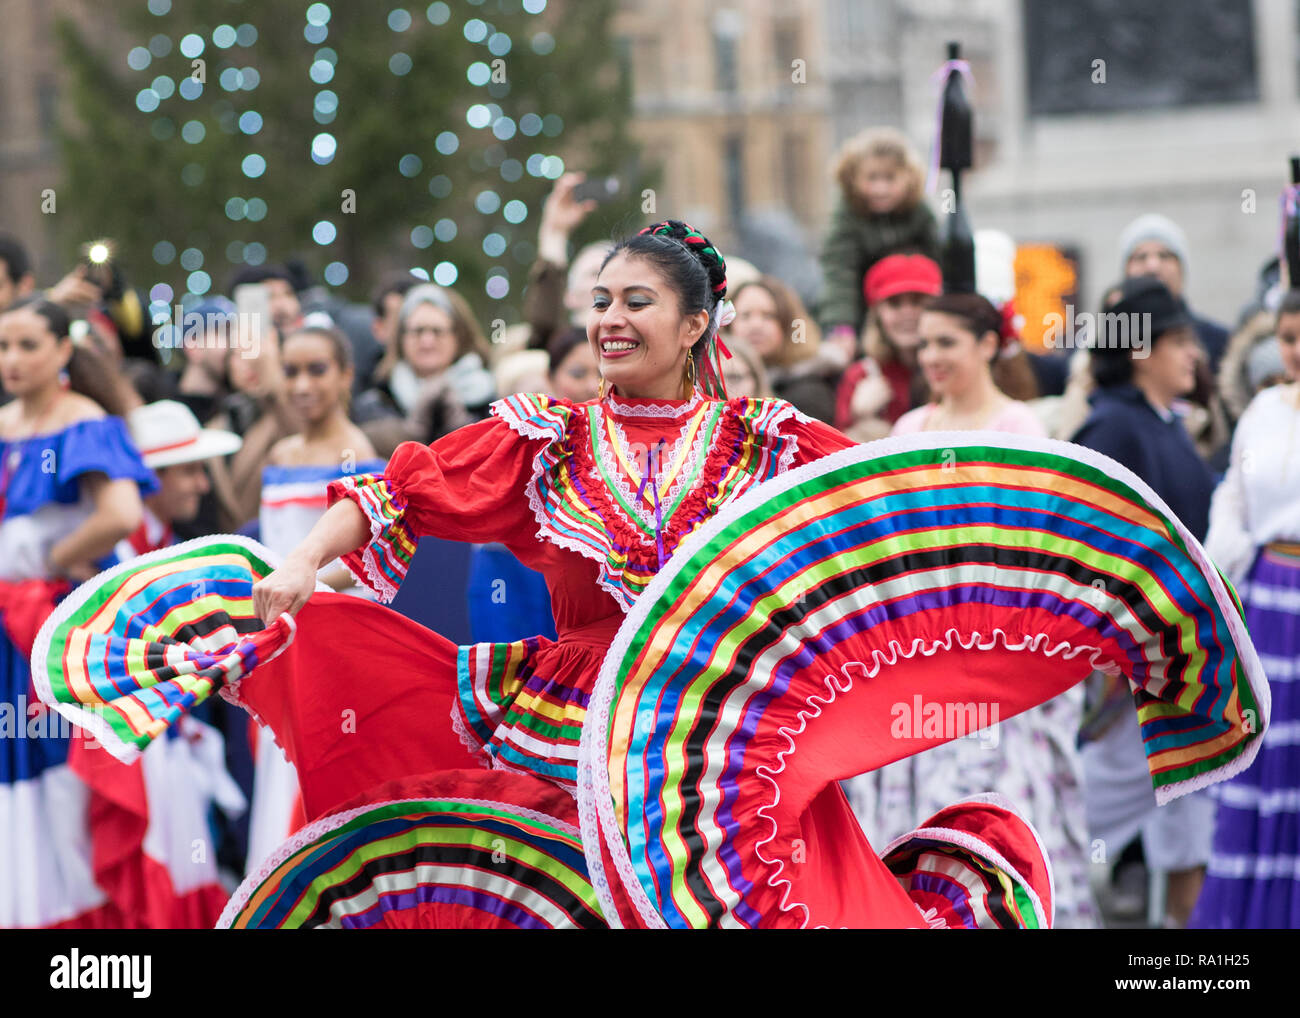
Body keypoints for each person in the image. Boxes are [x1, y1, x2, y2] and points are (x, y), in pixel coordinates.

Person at [36, 223, 1266, 929]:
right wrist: (302, 566)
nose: (608, 320)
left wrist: (1086, 597)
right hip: (577, 712)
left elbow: (914, 529)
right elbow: (397, 490)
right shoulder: (547, 435)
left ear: (696, 326)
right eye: (597, 302)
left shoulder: (777, 447)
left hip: (736, 741)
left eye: (634, 302)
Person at [845, 292, 1100, 928]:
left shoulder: (1020, 429)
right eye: (923, 344)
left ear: (988, 345)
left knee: (998, 810)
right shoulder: (909, 430)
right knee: (915, 818)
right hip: (914, 651)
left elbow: (1038, 548)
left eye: (946, 343)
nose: (930, 356)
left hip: (997, 659)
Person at [0, 299, 222, 928]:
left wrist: (48, 561)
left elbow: (121, 514)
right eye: (2, 347)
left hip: (54, 628)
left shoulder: (85, 423)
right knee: (18, 782)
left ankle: (98, 944)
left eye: (26, 345)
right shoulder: (5, 422)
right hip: (8, 629)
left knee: (70, 784)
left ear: (62, 351)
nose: (11, 360)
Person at [1071, 274, 1218, 927]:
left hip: (1183, 662)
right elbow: (1085, 545)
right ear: (1140, 349)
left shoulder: (1168, 425)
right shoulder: (1113, 428)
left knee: (1189, 820)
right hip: (1136, 667)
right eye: (1180, 340)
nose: (1195, 355)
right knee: (1080, 809)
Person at [1191, 290, 1300, 928]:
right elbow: (1231, 500)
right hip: (1266, 602)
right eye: (1287, 337)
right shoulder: (1261, 408)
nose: (1296, 350)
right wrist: (1217, 581)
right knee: (1261, 767)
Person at [816, 127, 940, 363]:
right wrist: (842, 325)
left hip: (914, 296)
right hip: (867, 306)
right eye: (872, 178)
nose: (880, 189)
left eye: (890, 179)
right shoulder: (848, 217)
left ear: (907, 178)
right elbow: (840, 271)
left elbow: (938, 257)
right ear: (855, 178)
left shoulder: (919, 212)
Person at [353, 284, 495, 439]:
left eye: (437, 331)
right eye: (418, 331)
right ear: (401, 338)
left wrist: (461, 426)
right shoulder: (377, 400)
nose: (427, 341)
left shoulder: (489, 400)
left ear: (458, 336)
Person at [114, 400, 242, 560]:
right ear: (152, 475)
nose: (204, 486)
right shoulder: (115, 548)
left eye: (202, 470)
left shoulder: (164, 539)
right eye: (189, 471)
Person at [834, 252, 942, 441]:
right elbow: (838, 454)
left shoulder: (954, 365)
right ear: (877, 315)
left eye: (917, 301)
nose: (907, 312)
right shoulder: (861, 375)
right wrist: (858, 415)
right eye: (894, 303)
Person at [1119, 213, 1229, 373]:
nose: (1153, 266)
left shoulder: (1218, 342)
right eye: (1141, 257)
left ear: (1182, 269)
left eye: (1164, 256)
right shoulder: (1103, 345)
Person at [727, 276, 841, 423]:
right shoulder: (712, 383)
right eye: (745, 316)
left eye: (768, 316)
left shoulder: (809, 393)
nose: (756, 325)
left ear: (790, 326)